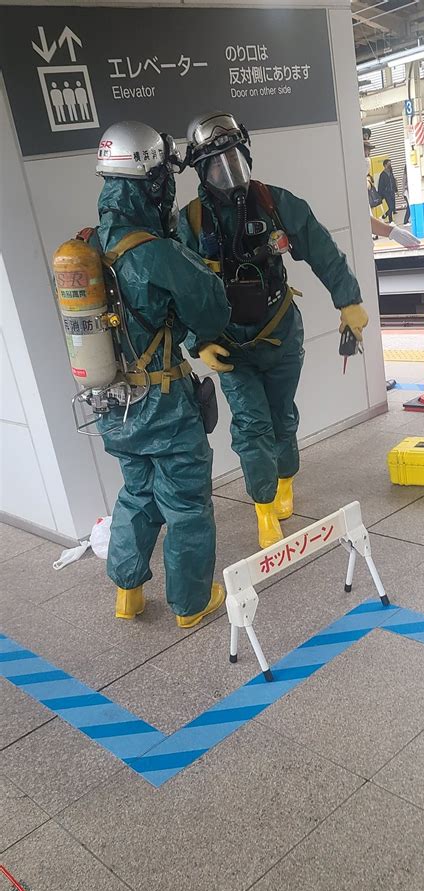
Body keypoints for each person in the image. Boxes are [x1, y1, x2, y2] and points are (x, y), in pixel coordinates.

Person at [179, 112, 368, 549]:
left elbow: (321, 248)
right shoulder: (189, 224)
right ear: (200, 172)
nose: (230, 174)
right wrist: (198, 341)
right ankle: (264, 508)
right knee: (251, 426)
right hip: (229, 348)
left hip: (281, 332)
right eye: (216, 165)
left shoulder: (274, 202)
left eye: (235, 160)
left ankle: (285, 481)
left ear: (246, 154)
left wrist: (349, 301)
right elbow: (178, 292)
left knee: (282, 416)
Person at [94, 121, 231, 622]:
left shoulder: (88, 248)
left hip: (112, 404)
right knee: (186, 499)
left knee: (136, 491)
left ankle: (126, 593)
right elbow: (211, 308)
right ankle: (191, 604)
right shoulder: (155, 252)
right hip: (162, 405)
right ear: (151, 180)